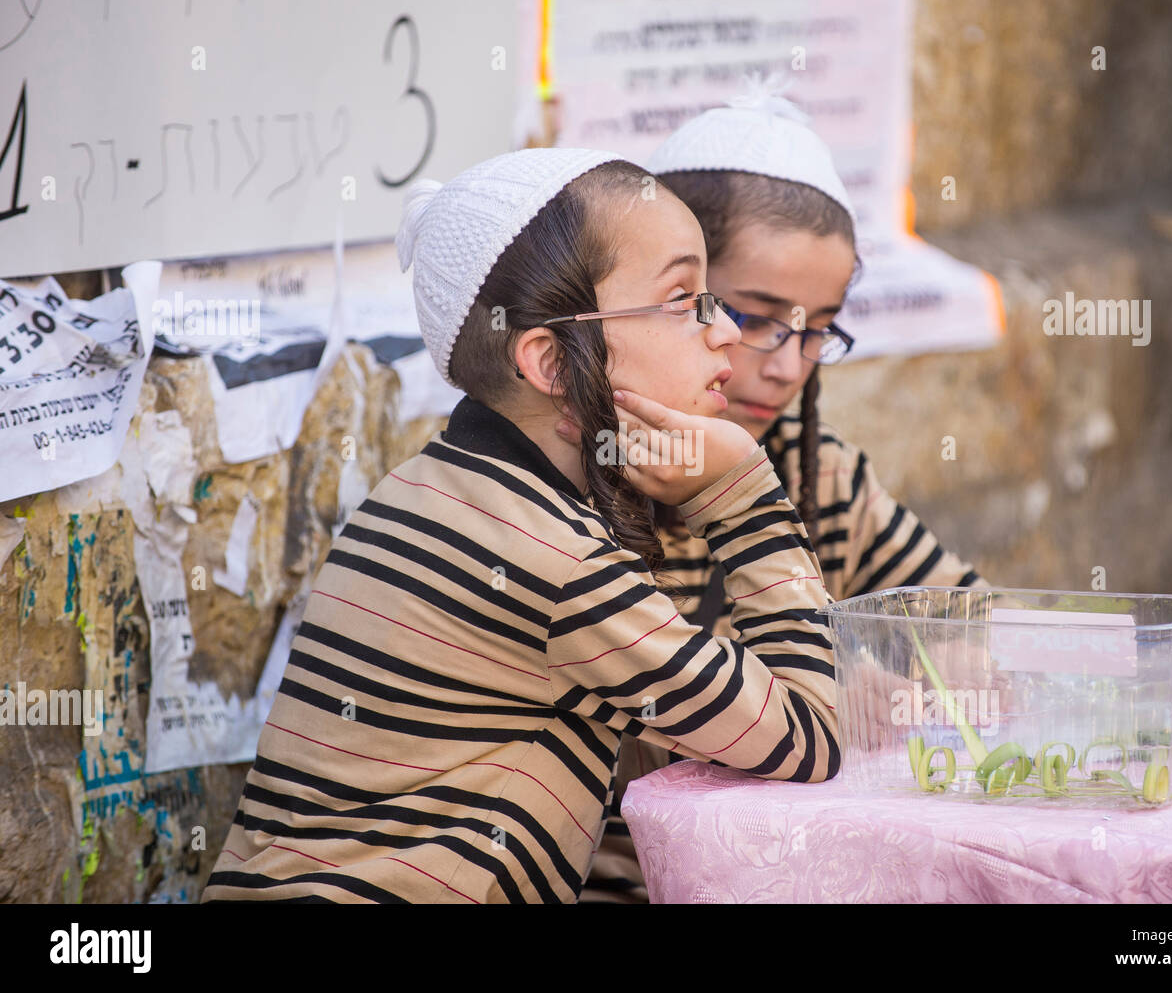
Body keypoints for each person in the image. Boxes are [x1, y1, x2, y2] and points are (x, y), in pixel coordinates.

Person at [200, 147, 840, 904]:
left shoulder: (450, 486)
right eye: (681, 301)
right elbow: (809, 737)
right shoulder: (551, 556)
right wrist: (744, 498)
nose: (723, 332)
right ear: (553, 362)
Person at [574, 81, 988, 903]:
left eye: (818, 327)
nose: (787, 363)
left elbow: (972, 616)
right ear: (665, 297)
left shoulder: (817, 473)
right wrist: (834, 685)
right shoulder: (570, 493)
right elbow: (663, 735)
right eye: (752, 316)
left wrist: (938, 663)